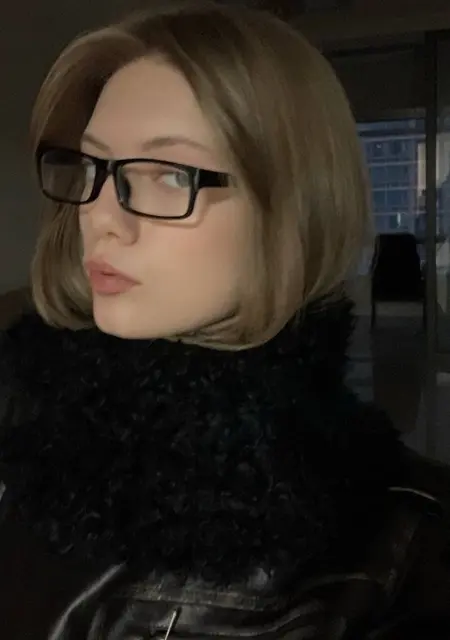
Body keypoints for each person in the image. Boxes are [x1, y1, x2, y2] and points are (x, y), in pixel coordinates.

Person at [0, 1, 449, 638]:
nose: (100, 215)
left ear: (290, 209)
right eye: (93, 165)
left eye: (167, 174)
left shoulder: (402, 557)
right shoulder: (20, 428)